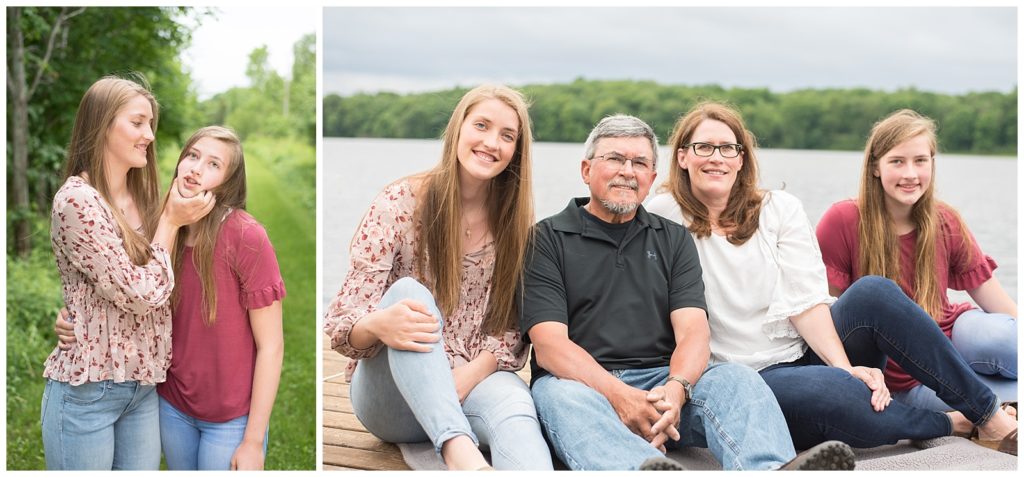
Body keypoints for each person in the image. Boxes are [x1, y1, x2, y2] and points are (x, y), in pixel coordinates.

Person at [646, 102, 1017, 456]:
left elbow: (806, 301)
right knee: (834, 395)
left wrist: (845, 367)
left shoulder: (779, 208)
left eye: (728, 148)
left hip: (803, 352)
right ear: (682, 156)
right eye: (703, 147)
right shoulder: (662, 217)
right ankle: (949, 423)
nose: (716, 157)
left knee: (874, 292)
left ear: (741, 158)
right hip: (742, 375)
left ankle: (989, 416)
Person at [521, 114, 855, 471]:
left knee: (736, 378)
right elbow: (550, 346)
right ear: (586, 169)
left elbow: (694, 331)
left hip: (663, 382)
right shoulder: (546, 239)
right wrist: (619, 395)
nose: (627, 171)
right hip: (584, 384)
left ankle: (769, 468)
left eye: (640, 163)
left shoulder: (671, 238)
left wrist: (676, 389)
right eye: (615, 159)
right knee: (559, 396)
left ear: (651, 178)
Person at [322, 85, 552, 470]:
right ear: (457, 129)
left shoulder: (515, 224)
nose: (492, 142)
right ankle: (459, 453)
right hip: (391, 398)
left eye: (507, 136)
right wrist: (380, 323)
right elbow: (342, 327)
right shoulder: (398, 203)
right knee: (408, 292)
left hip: (471, 382)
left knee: (516, 411)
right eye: (481, 125)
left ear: (517, 151)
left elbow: (512, 333)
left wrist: (467, 375)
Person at [56, 126, 287, 470]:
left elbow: (271, 346)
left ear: (228, 182)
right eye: (192, 156)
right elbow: (125, 289)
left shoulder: (245, 236)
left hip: (230, 415)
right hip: (172, 404)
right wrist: (72, 316)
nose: (196, 168)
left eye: (212, 164)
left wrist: (253, 441)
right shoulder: (160, 229)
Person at [815, 109, 1017, 449]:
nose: (911, 174)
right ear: (875, 168)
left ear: (932, 165)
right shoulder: (843, 220)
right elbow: (828, 313)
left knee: (1000, 339)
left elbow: (996, 300)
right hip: (905, 381)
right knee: (995, 403)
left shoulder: (945, 219)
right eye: (897, 162)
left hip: (954, 336)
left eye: (921, 160)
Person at [41, 76, 215, 470]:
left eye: (150, 124)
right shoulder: (77, 200)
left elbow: (158, 280)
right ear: (102, 124)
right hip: (88, 393)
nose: (149, 135)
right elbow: (139, 293)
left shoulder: (143, 198)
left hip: (142, 388)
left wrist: (77, 310)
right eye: (137, 123)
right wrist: (170, 223)